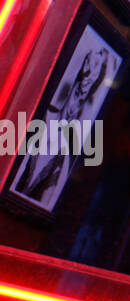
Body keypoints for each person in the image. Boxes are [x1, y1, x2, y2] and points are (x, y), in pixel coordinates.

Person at [13, 45, 112, 208]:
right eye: (77, 94)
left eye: (81, 100)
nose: (74, 107)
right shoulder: (42, 118)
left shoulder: (66, 150)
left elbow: (47, 202)